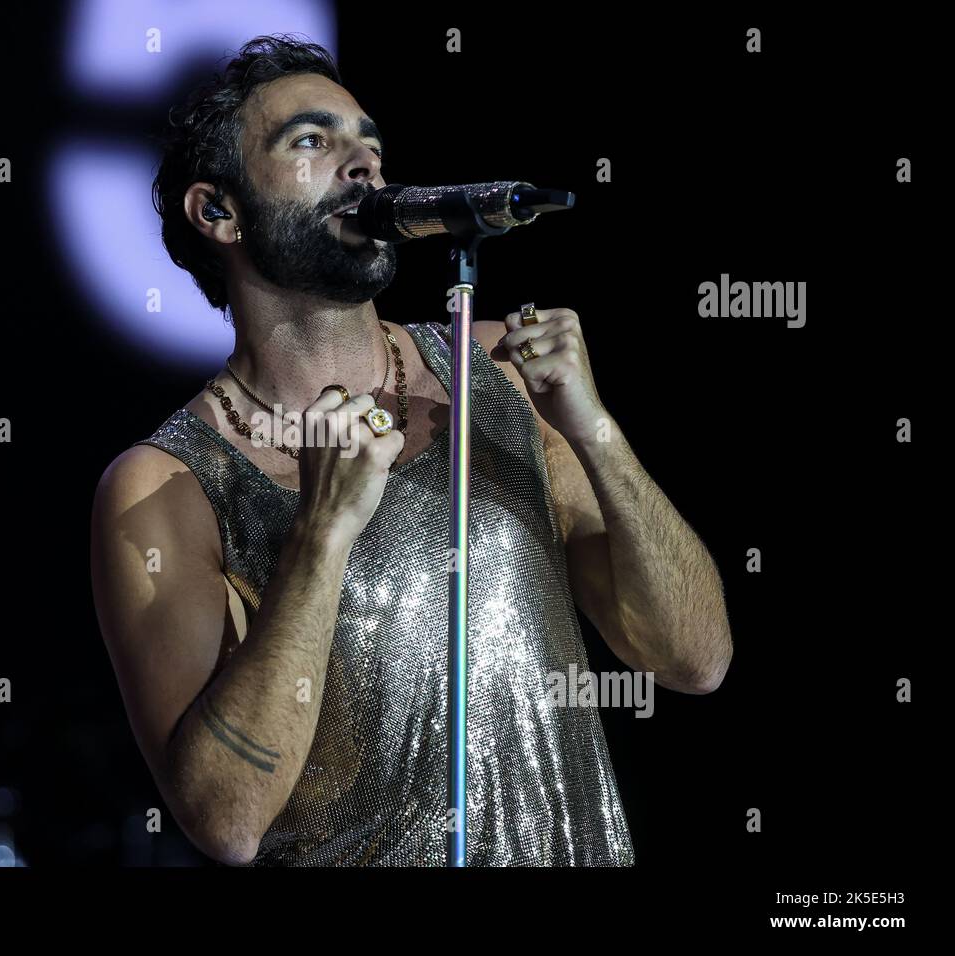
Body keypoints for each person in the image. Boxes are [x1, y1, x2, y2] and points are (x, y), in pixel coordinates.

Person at [90, 34, 732, 866]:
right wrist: (320, 536)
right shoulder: (165, 485)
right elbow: (227, 819)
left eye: (371, 143)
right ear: (219, 211)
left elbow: (695, 660)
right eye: (313, 142)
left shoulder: (498, 370)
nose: (364, 164)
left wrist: (596, 432)